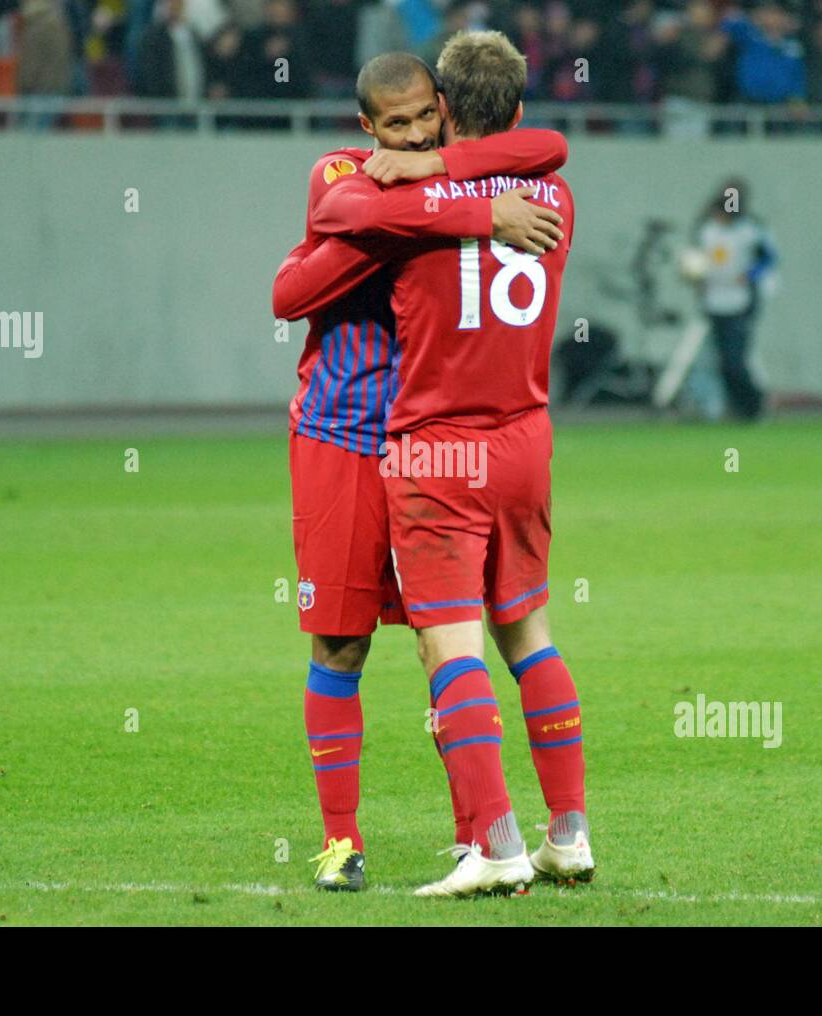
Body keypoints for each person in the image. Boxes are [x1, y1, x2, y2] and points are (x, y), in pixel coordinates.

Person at [276, 30, 590, 898]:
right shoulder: (347, 173)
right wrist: (479, 214)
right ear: (366, 124)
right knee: (339, 646)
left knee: (437, 643)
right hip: (343, 432)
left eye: (426, 121)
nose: (413, 139)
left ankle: (476, 837)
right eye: (397, 126)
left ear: (446, 113)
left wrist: (448, 193)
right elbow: (292, 287)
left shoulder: (460, 169)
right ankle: (341, 841)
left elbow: (546, 145)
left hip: (426, 443)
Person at [694, 178, 777, 422]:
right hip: (714, 301)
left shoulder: (749, 231)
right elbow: (699, 261)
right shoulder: (707, 231)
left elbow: (769, 260)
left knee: (735, 360)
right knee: (722, 361)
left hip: (740, 302)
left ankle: (753, 405)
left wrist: (749, 276)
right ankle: (736, 408)